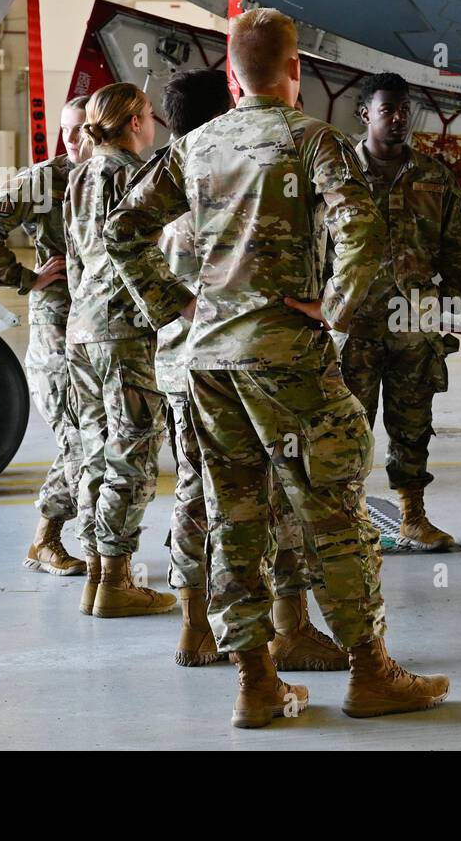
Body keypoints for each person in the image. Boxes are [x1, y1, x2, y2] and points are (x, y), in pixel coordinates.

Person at [105, 8, 448, 728]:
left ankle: (256, 683)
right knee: (335, 511)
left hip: (209, 364)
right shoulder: (313, 139)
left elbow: (123, 229)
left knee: (235, 518)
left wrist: (176, 306)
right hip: (286, 356)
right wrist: (336, 307)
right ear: (296, 71)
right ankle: (370, 672)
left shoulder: (196, 147)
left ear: (232, 73)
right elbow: (363, 228)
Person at [153, 68, 345, 672]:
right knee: (277, 496)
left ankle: (195, 628)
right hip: (242, 359)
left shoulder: (173, 184)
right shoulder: (232, 186)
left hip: (181, 365)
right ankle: (289, 628)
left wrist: (171, 309)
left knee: (197, 496)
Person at [337, 72, 461, 550]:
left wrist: (448, 297)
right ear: (365, 113)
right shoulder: (339, 174)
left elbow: (455, 246)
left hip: (415, 325)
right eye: (387, 109)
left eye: (403, 109)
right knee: (349, 427)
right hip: (352, 326)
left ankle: (412, 517)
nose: (397, 118)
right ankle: (346, 521)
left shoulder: (434, 176)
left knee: (413, 423)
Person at [0, 95, 89, 577]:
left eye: (82, 128)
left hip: (109, 329)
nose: (74, 140)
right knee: (79, 440)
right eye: (67, 130)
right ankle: (46, 537)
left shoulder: (121, 174)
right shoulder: (43, 179)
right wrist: (25, 278)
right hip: (59, 329)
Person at [63, 82, 174, 619]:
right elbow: (150, 252)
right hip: (125, 330)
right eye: (149, 116)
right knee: (132, 455)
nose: (153, 125)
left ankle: (96, 574)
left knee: (96, 451)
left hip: (82, 327)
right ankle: (117, 579)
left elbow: (74, 259)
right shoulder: (134, 176)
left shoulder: (79, 175)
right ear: (134, 123)